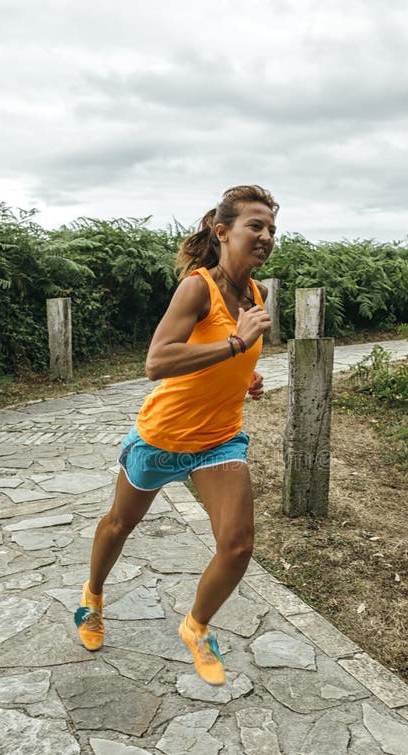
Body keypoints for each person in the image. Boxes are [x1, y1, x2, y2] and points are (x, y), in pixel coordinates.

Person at [74, 184, 279, 686]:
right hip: (162, 438)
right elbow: (157, 361)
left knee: (238, 544)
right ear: (223, 231)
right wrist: (235, 345)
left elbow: (228, 359)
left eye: (272, 228)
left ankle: (196, 626)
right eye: (256, 225)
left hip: (219, 440)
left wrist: (244, 376)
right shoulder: (196, 288)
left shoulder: (257, 292)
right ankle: (92, 597)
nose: (267, 236)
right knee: (120, 524)